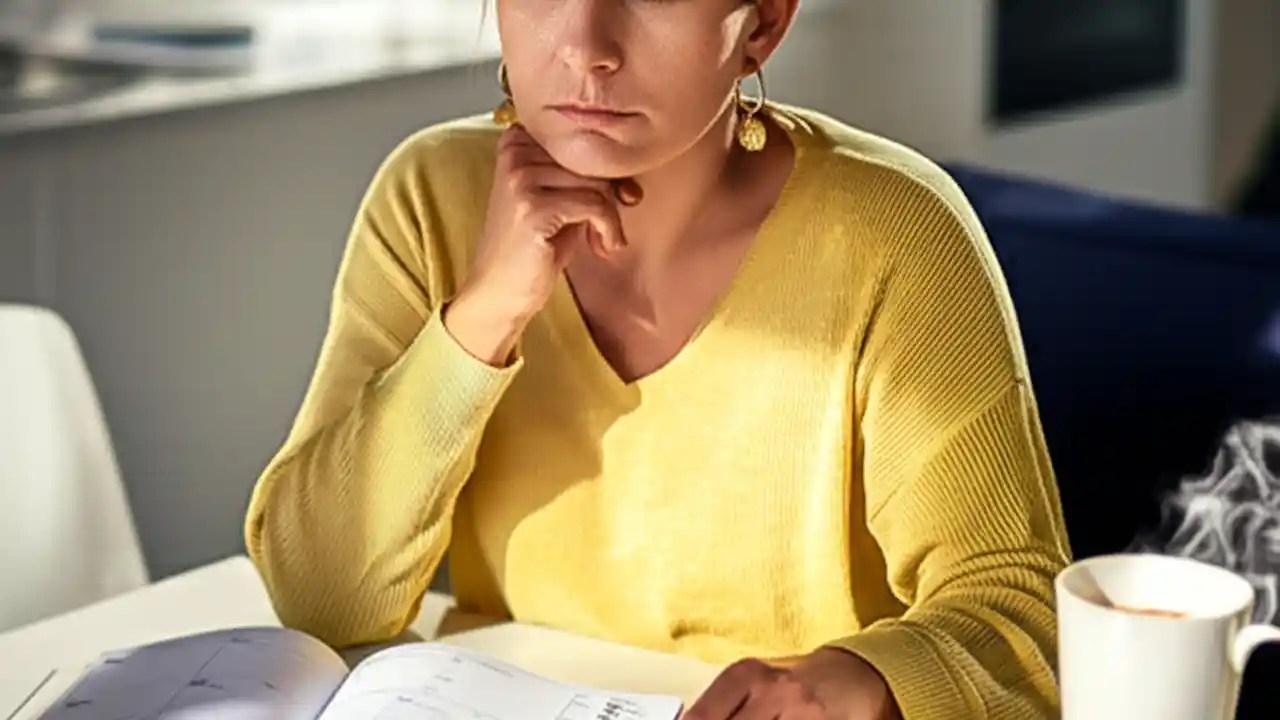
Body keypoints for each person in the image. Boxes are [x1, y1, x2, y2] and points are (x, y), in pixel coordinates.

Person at [244, 1, 1072, 717]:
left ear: (766, 21)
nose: (587, 46)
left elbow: (1024, 617)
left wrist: (866, 680)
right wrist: (484, 311)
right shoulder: (425, 198)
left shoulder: (900, 236)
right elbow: (319, 602)